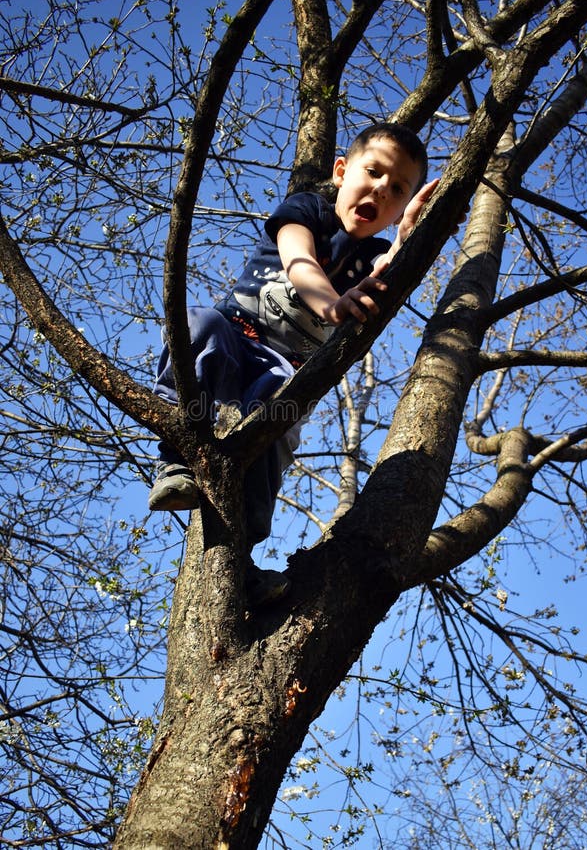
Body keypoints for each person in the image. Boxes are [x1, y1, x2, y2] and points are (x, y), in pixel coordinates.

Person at [149, 122, 436, 605]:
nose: (382, 189)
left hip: (283, 368)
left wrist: (407, 241)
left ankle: (238, 563)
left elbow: (388, 274)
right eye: (373, 172)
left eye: (398, 189)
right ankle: (177, 461)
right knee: (198, 325)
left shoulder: (374, 254)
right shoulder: (307, 210)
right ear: (341, 172)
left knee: (274, 423)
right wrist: (332, 304)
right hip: (235, 336)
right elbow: (299, 261)